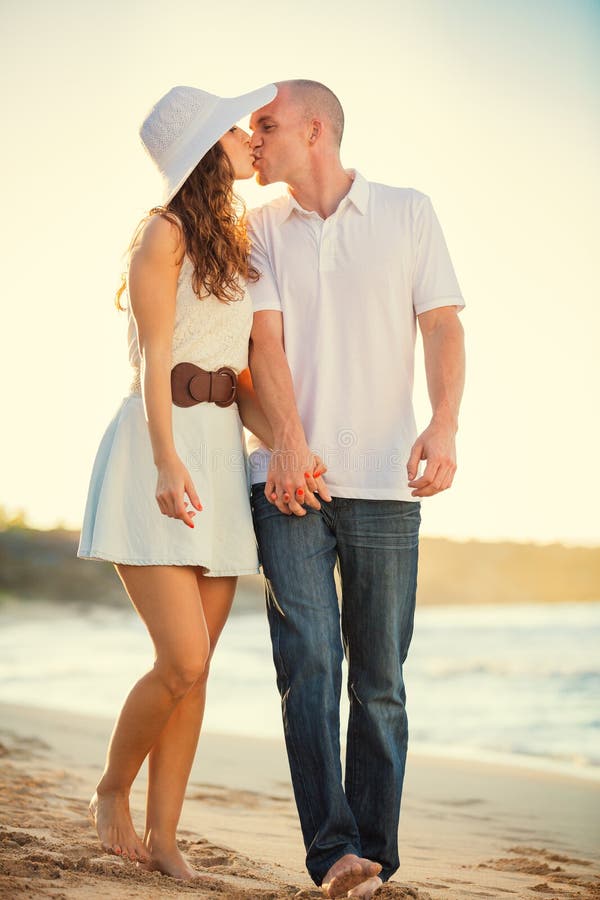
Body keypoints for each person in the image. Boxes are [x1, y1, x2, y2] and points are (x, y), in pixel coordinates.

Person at [76, 82, 319, 881]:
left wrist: (288, 445)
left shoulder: (236, 239)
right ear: (206, 147)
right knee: (179, 659)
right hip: (160, 451)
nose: (252, 137)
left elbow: (240, 375)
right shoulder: (164, 233)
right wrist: (168, 459)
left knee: (199, 670)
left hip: (218, 451)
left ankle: (166, 836)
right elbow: (153, 362)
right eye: (237, 129)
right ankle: (113, 789)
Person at [246, 80, 466, 899]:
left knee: (378, 679)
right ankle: (334, 853)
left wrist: (442, 426)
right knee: (308, 661)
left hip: (384, 482)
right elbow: (262, 344)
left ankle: (376, 856)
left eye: (266, 125)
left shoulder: (408, 212)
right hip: (288, 483)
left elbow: (443, 323)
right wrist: (291, 447)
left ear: (315, 131)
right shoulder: (260, 228)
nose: (255, 139)